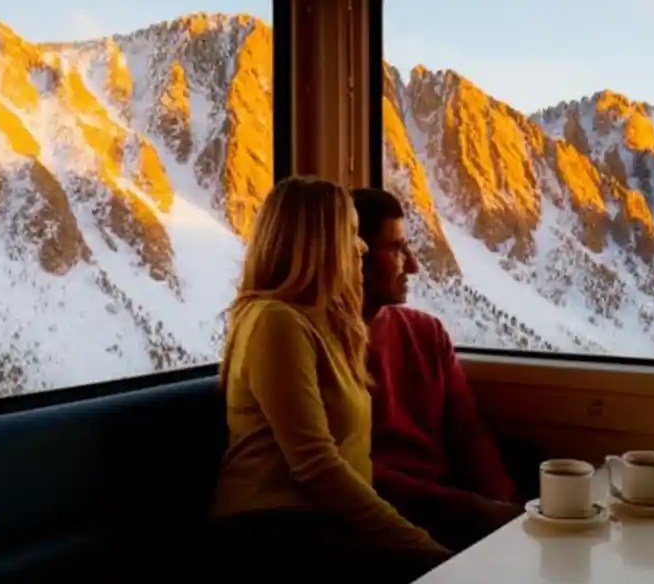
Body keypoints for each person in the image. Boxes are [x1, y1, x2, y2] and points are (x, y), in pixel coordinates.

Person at [208, 176, 452, 583]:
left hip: (322, 525)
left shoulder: (325, 325)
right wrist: (417, 542)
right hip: (270, 532)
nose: (361, 248)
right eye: (352, 234)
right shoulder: (275, 321)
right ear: (318, 244)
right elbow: (317, 466)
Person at [352, 187, 527, 552]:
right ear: (355, 255)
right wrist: (476, 512)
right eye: (395, 249)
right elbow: (350, 472)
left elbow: (468, 431)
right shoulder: (320, 344)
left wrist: (504, 511)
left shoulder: (426, 333)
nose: (413, 265)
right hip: (384, 520)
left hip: (454, 506)